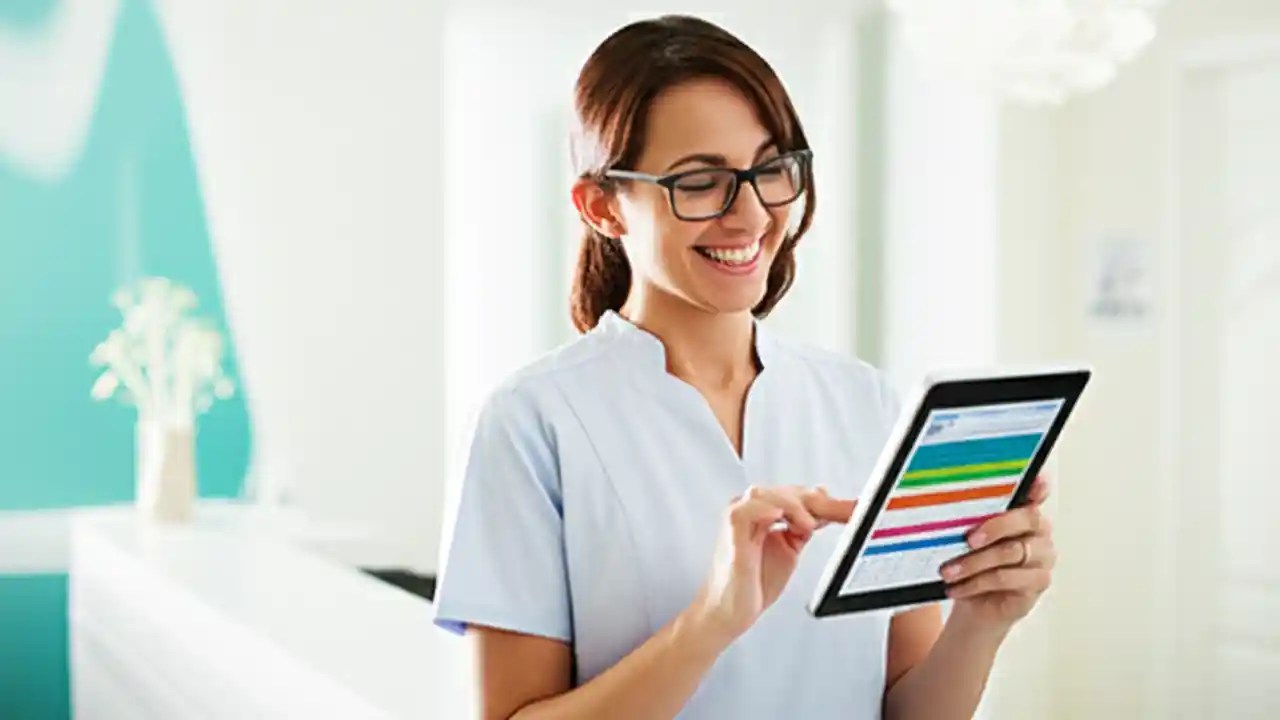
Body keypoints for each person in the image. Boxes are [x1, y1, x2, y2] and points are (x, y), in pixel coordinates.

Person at [432, 15, 1057, 720]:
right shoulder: (533, 421)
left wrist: (983, 621)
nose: (752, 214)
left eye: (770, 170)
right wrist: (712, 622)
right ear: (602, 206)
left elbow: (910, 710)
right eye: (701, 182)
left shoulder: (863, 401)